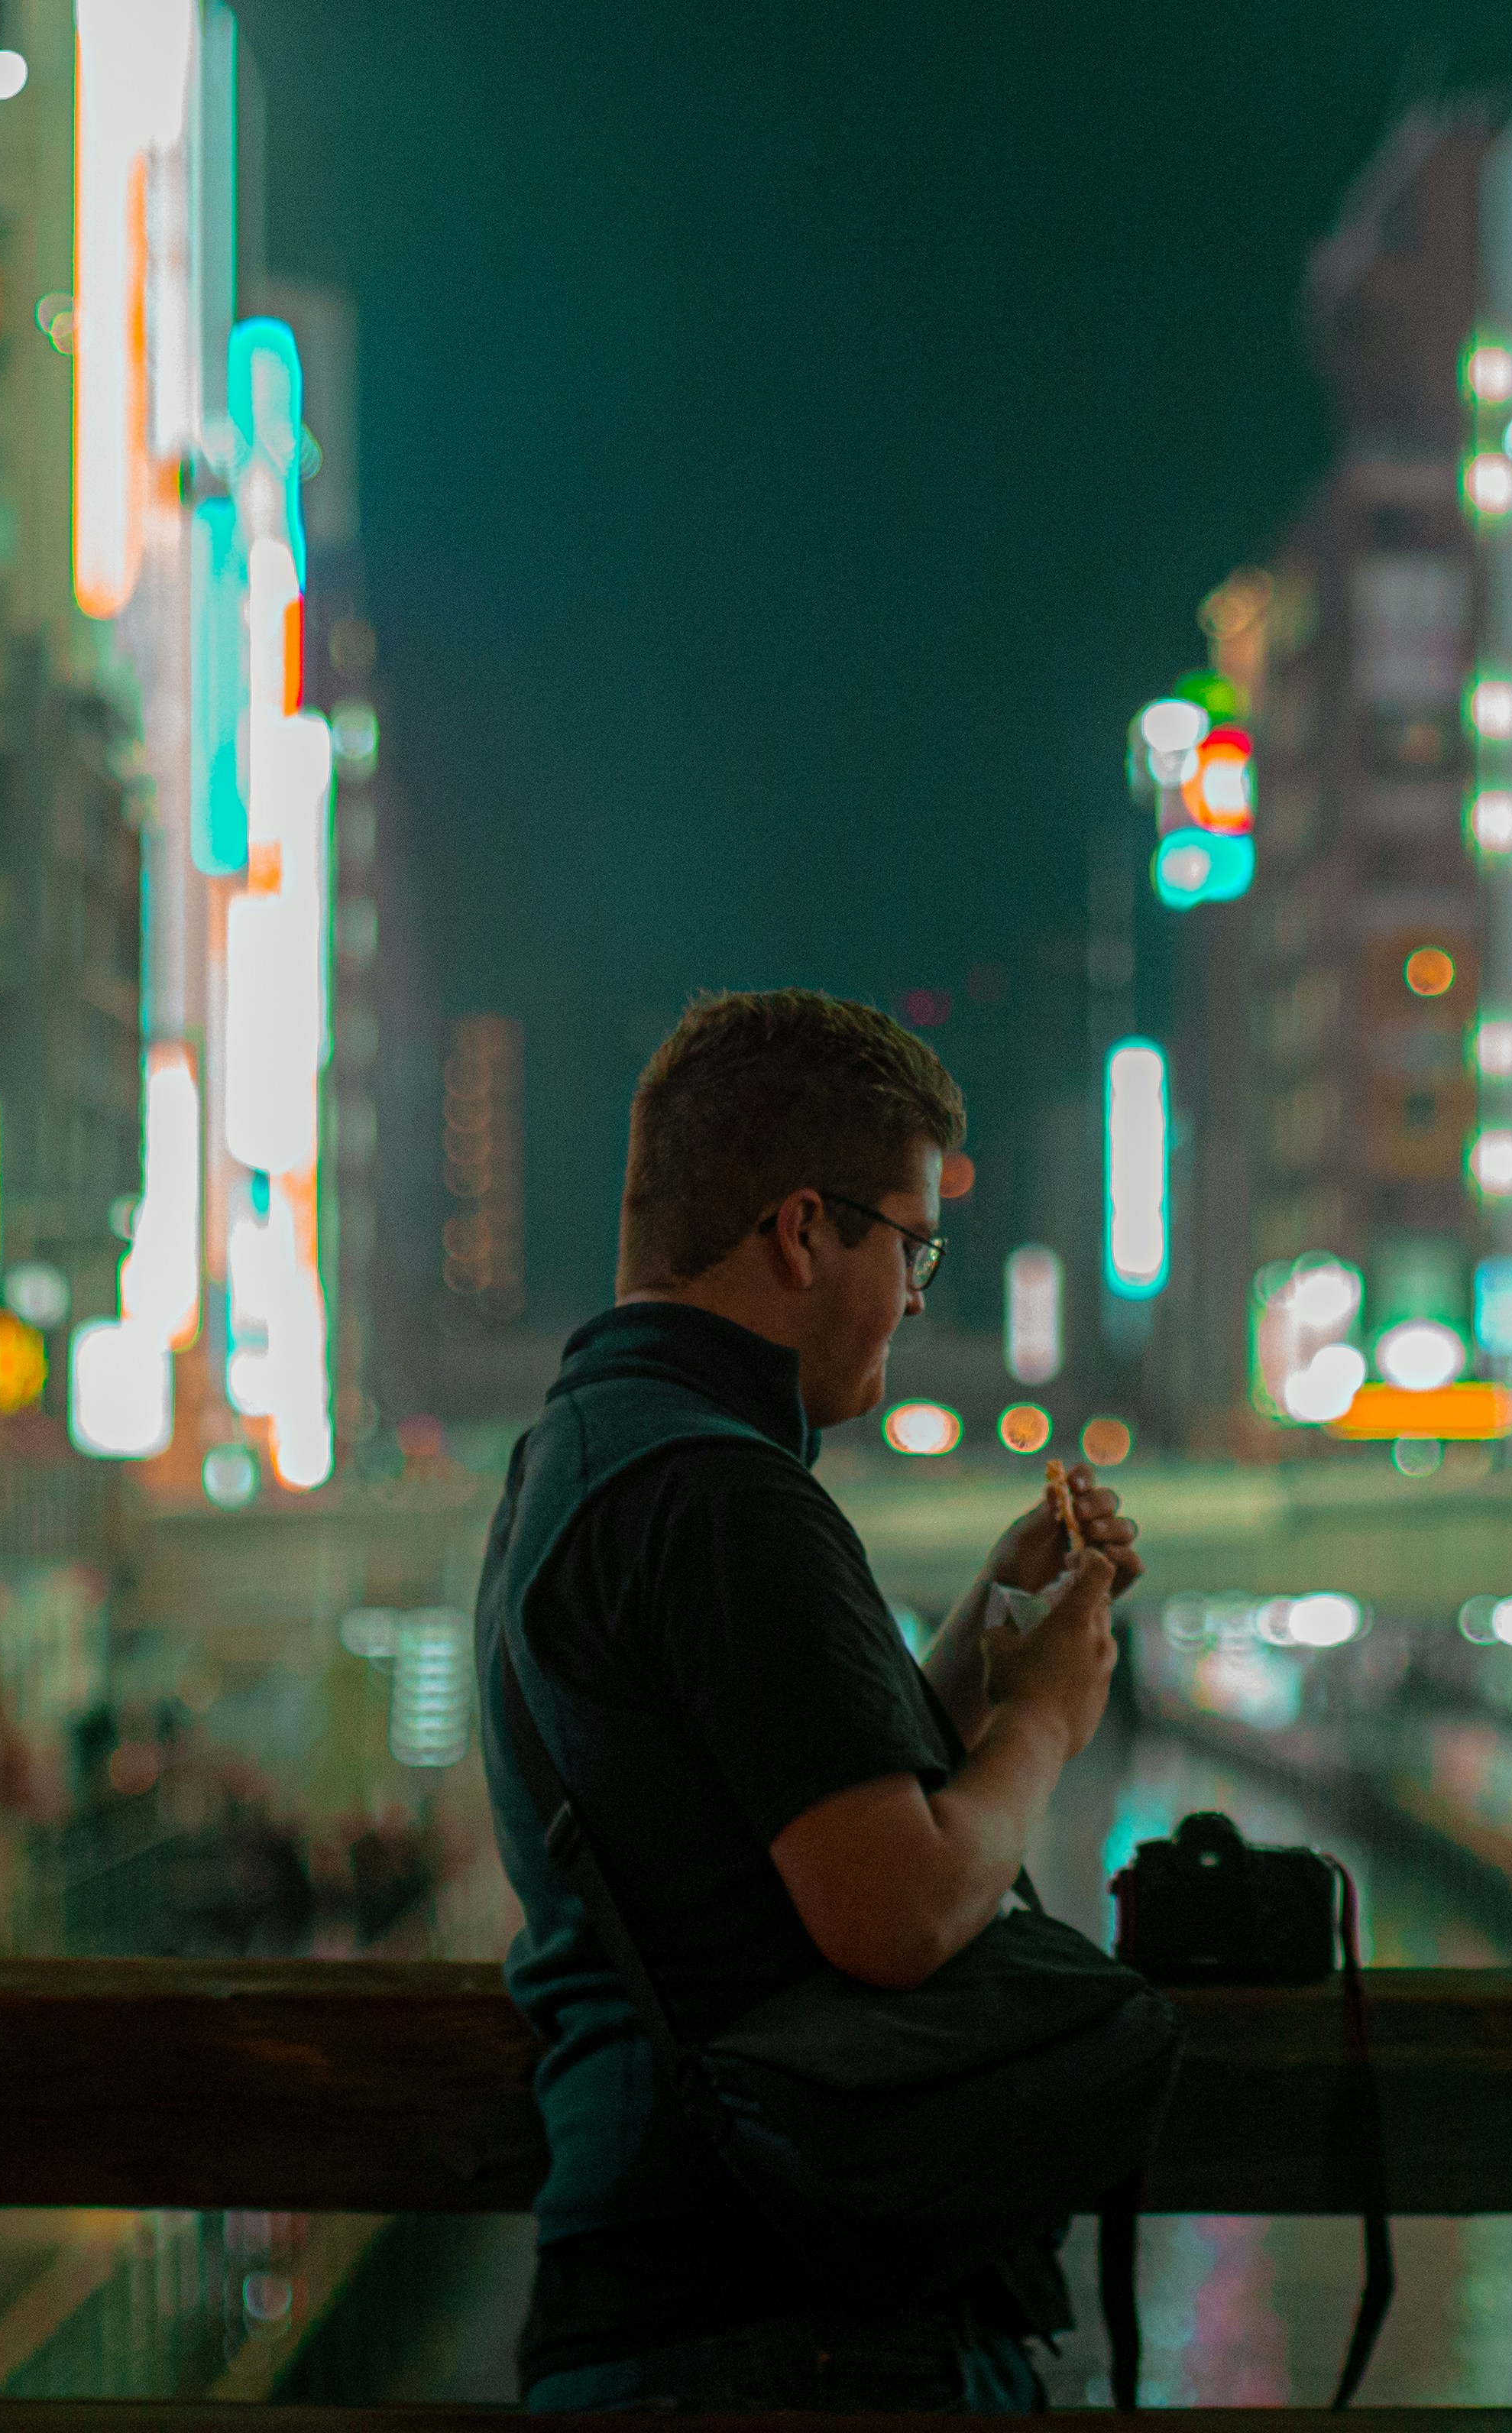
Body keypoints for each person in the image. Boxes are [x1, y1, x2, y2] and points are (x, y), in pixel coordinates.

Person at [478, 989, 1141, 2414]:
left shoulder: (583, 1452)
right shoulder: (726, 1495)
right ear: (801, 1228)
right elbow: (892, 1912)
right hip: (785, 2322)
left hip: (651, 2283)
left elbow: (772, 1805)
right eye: (913, 1244)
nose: (916, 1292)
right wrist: (1048, 1719)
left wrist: (986, 1632)